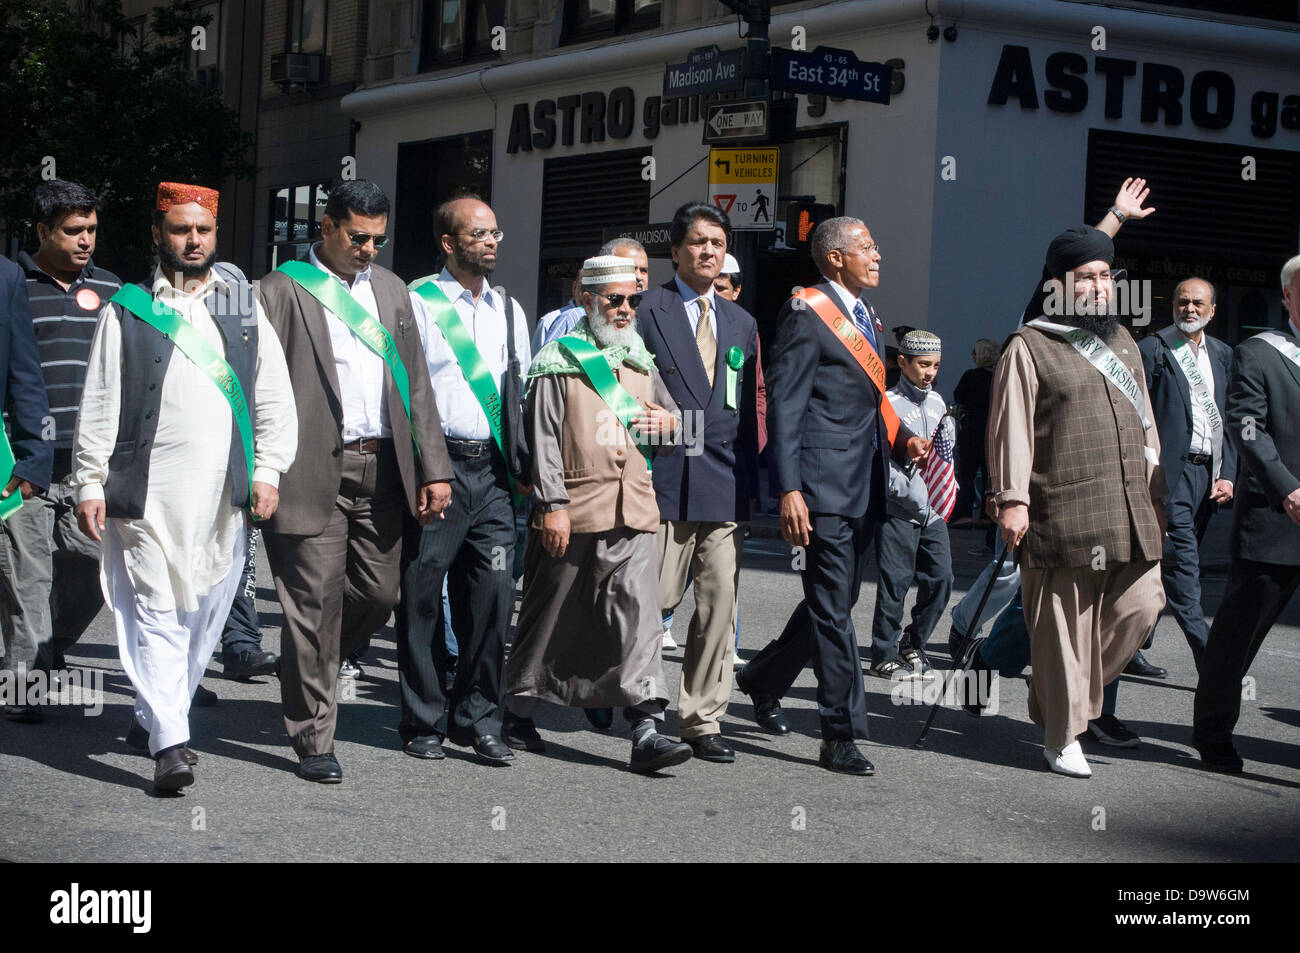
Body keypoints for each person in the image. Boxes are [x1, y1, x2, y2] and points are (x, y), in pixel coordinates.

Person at [71, 182, 297, 792]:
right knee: (154, 608)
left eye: (203, 230)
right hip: (145, 492)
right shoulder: (129, 307)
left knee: (200, 612)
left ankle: (155, 714)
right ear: (157, 234)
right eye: (180, 229)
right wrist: (90, 480)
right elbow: (101, 398)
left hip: (222, 493)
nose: (192, 240)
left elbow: (273, 396)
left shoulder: (243, 309)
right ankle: (171, 742)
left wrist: (268, 470)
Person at [258, 179, 453, 784]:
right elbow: (256, 385)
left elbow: (417, 383)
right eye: (358, 237)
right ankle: (315, 737)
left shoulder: (394, 291)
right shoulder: (279, 290)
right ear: (327, 227)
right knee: (313, 604)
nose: (370, 248)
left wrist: (434, 467)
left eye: (379, 238)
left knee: (379, 595)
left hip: (385, 468)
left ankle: (309, 663)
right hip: (311, 466)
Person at [735, 216, 927, 776]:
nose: (878, 255)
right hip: (820, 487)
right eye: (867, 247)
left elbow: (863, 400)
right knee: (834, 611)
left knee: (832, 603)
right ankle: (839, 732)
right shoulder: (807, 311)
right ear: (836, 257)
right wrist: (789, 489)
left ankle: (761, 677)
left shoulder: (861, 314)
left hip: (862, 482)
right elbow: (788, 407)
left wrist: (901, 438)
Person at [986, 224, 1166, 778]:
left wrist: (1156, 487)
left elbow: (1146, 424)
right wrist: (1011, 499)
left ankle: (1055, 684)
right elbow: (1011, 426)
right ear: (1058, 284)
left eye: (1105, 276)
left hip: (1128, 507)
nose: (1097, 285)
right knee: (1064, 626)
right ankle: (1062, 735)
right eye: (1085, 276)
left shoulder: (1122, 340)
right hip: (1059, 509)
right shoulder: (1030, 345)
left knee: (1143, 604)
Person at [503, 254, 691, 773]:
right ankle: (518, 708)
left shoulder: (642, 361)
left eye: (633, 299)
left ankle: (646, 729)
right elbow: (541, 439)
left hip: (633, 508)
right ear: (588, 300)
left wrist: (668, 426)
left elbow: (675, 425)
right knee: (551, 616)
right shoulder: (557, 358)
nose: (626, 309)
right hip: (573, 508)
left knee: (638, 616)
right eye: (615, 299)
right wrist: (551, 504)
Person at [396, 196, 530, 765]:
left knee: (491, 598)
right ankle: (423, 718)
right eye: (479, 234)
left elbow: (518, 390)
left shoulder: (509, 309)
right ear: (449, 243)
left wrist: (525, 468)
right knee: (423, 596)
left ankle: (477, 716)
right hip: (440, 466)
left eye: (496, 232)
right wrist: (430, 469)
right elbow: (408, 390)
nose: (492, 242)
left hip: (493, 473)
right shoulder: (417, 301)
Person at [636, 203, 760, 764]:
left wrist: (758, 486)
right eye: (698, 242)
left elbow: (753, 411)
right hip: (660, 479)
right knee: (648, 603)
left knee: (718, 606)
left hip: (724, 483)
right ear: (676, 250)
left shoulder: (741, 322)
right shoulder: (645, 310)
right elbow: (627, 395)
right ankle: (640, 708)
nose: (709, 251)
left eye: (717, 242)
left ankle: (701, 719)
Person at [3, 181, 119, 723]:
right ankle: (24, 684)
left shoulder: (115, 292)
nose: (86, 241)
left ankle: (51, 646)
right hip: (26, 459)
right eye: (73, 231)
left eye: (92, 229)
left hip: (89, 463)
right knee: (29, 576)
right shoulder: (13, 285)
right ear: (43, 231)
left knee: (97, 562)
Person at [1192, 256, 1300, 773]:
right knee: (1238, 636)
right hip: (1277, 520)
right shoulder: (1259, 354)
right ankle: (1213, 732)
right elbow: (1247, 427)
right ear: (1287, 298)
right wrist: (1287, 490)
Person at [1136, 278, 1236, 677]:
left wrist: (1229, 474)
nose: (1189, 309)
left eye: (1198, 303)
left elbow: (1231, 419)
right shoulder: (1154, 349)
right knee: (1183, 569)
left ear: (1212, 311)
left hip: (1207, 479)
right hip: (1168, 477)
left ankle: (1131, 644)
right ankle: (1213, 666)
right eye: (1182, 302)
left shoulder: (1224, 355)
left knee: (1161, 565)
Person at [869, 330, 955, 681]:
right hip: (899, 508)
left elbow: (945, 458)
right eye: (922, 364)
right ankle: (883, 653)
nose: (929, 372)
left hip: (933, 510)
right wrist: (903, 491)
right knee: (896, 583)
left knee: (942, 578)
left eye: (935, 365)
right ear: (902, 362)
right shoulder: (887, 404)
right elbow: (880, 459)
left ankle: (914, 642)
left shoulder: (938, 403)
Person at [0, 253, 54, 721]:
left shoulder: (5, 276)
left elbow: (24, 370)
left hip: (3, 460)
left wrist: (36, 455)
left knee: (26, 578)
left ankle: (26, 686)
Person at [950, 338, 999, 526]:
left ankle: (964, 514)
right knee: (990, 474)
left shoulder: (970, 376)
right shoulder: (998, 376)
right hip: (992, 431)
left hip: (971, 430)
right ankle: (988, 516)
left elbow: (958, 395)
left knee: (966, 474)